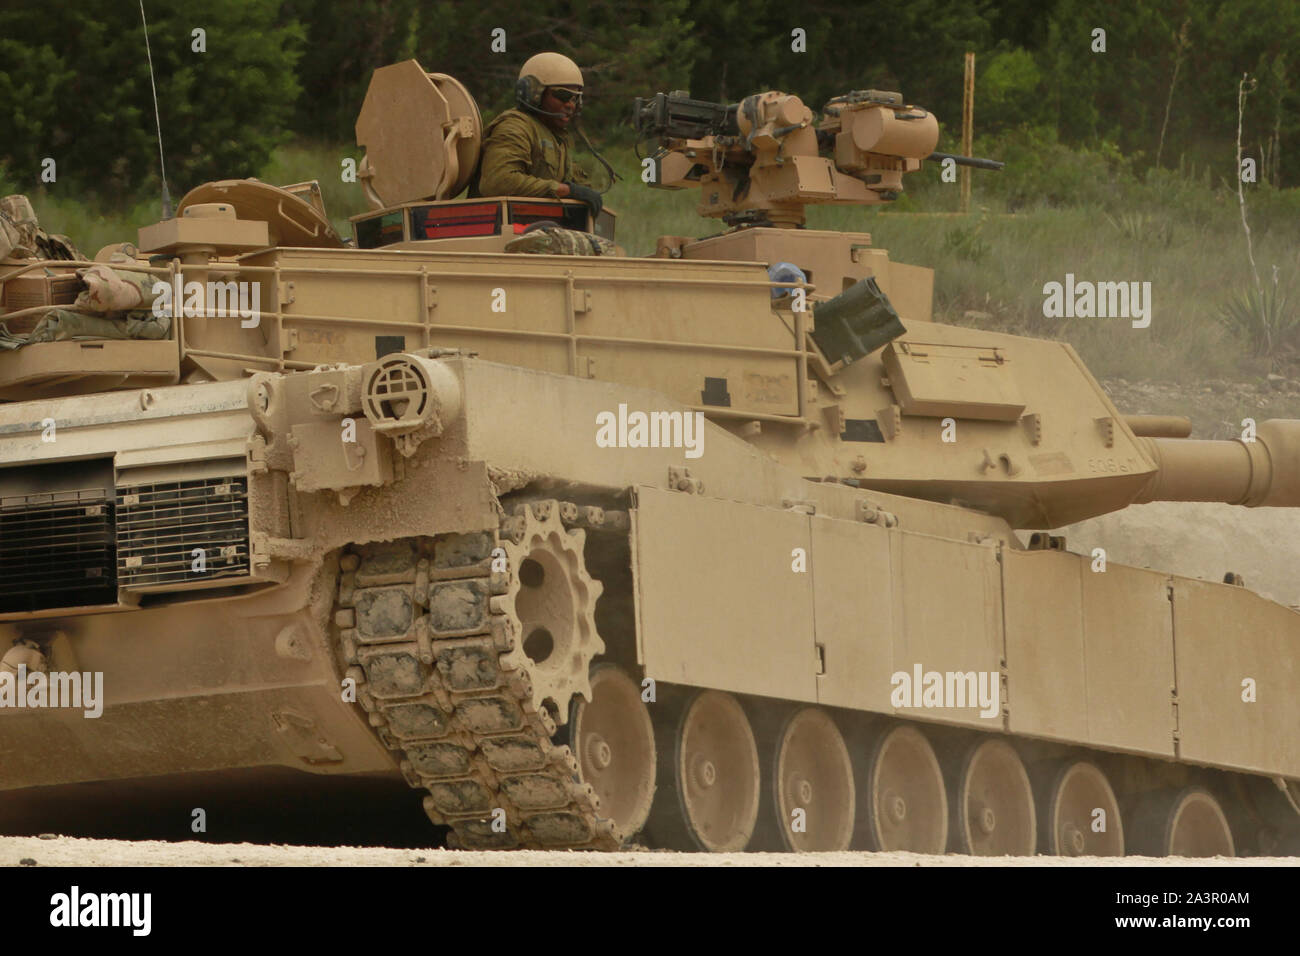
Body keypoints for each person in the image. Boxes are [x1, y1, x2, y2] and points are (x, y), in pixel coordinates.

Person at [470, 53, 603, 223]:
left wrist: (580, 191)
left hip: (533, 227)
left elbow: (576, 184)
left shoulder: (554, 137)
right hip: (500, 227)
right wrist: (564, 190)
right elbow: (498, 182)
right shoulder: (514, 128)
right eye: (563, 96)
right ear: (534, 93)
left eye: (575, 98)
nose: (570, 104)